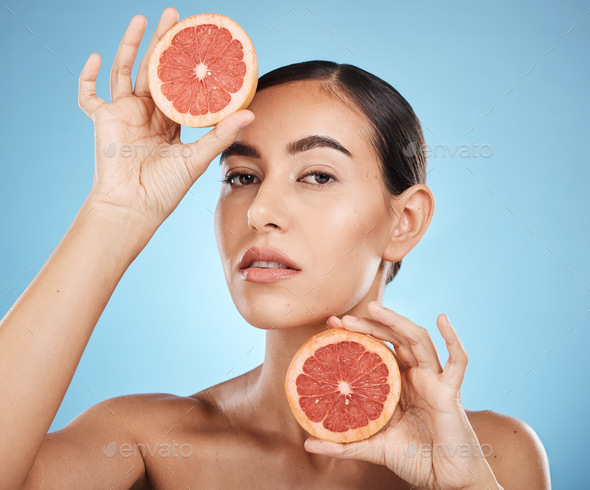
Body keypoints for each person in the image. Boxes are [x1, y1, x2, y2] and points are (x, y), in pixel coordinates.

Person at [0, 7, 550, 489]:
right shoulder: (145, 442)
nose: (260, 210)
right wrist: (117, 212)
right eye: (241, 176)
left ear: (404, 221)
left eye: (315, 176)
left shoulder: (496, 457)